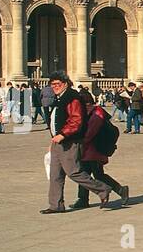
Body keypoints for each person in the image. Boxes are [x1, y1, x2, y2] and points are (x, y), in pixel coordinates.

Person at [42, 72, 115, 214]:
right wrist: (54, 139)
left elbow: (76, 120)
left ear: (65, 84)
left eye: (58, 84)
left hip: (70, 141)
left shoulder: (72, 98)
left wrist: (63, 135)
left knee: (74, 172)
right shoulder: (59, 98)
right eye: (52, 84)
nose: (55, 87)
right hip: (58, 141)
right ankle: (56, 205)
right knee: (55, 175)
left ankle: (102, 189)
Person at [72, 89, 130, 209]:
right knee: (85, 175)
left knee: (98, 175)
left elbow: (90, 133)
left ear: (87, 103)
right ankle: (82, 199)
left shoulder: (97, 114)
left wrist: (79, 142)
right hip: (88, 150)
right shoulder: (89, 112)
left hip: (95, 149)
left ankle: (121, 190)